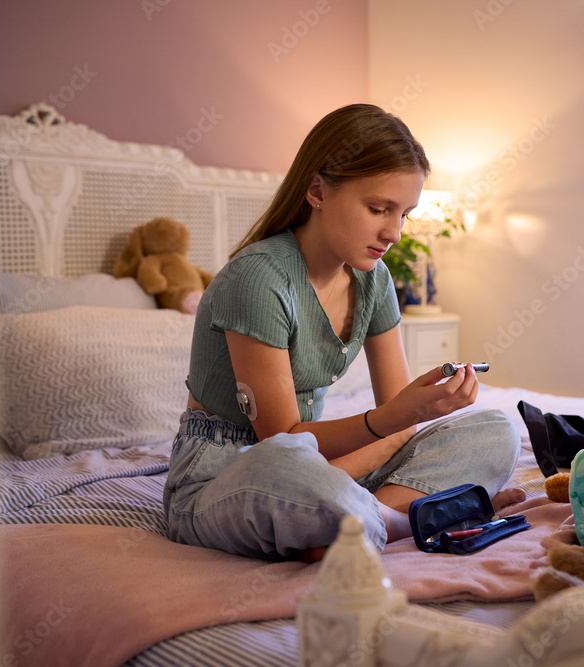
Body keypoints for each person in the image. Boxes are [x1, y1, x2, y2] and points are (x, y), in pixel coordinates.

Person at [163, 104, 522, 561]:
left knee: (495, 430)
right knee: (288, 467)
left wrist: (417, 411)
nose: (393, 232)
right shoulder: (258, 279)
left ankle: (363, 522)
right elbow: (284, 441)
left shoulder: (374, 278)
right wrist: (388, 431)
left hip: (329, 471)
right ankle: (408, 516)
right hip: (229, 477)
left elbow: (400, 418)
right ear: (317, 190)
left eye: (405, 214)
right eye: (378, 208)